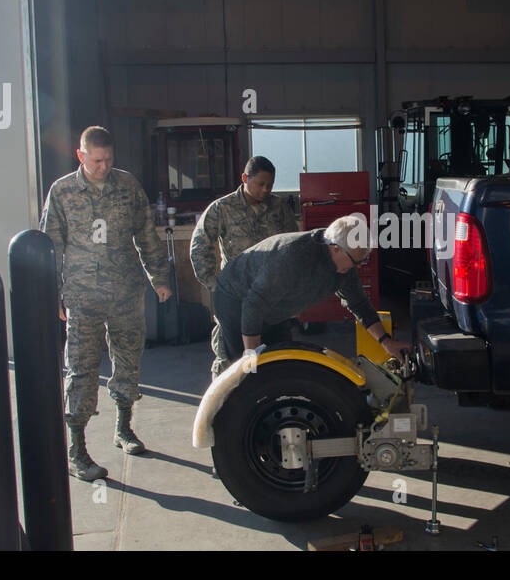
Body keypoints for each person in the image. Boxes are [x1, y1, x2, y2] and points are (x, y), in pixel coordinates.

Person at [40, 126, 172, 481]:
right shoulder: (62, 192)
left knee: (128, 362)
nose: (103, 166)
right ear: (80, 156)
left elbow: (146, 233)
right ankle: (77, 450)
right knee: (81, 370)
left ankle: (124, 429)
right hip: (82, 297)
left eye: (109, 159)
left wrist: (159, 278)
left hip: (125, 293)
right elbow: (51, 246)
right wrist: (52, 293)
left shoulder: (127, 186)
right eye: (96, 160)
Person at [211, 213, 407, 374]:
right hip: (235, 298)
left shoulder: (344, 268)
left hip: (273, 309)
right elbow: (253, 303)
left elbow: (359, 304)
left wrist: (386, 342)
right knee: (244, 373)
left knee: (282, 367)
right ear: (335, 248)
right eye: (356, 261)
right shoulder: (294, 257)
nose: (357, 267)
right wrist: (251, 355)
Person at [190, 155, 299, 378]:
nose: (265, 190)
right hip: (236, 300)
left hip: (273, 300)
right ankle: (226, 410)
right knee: (232, 365)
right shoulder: (222, 208)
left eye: (270, 185)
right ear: (244, 178)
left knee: (278, 360)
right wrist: (216, 287)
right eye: (260, 184)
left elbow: (293, 247)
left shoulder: (279, 208)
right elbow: (199, 248)